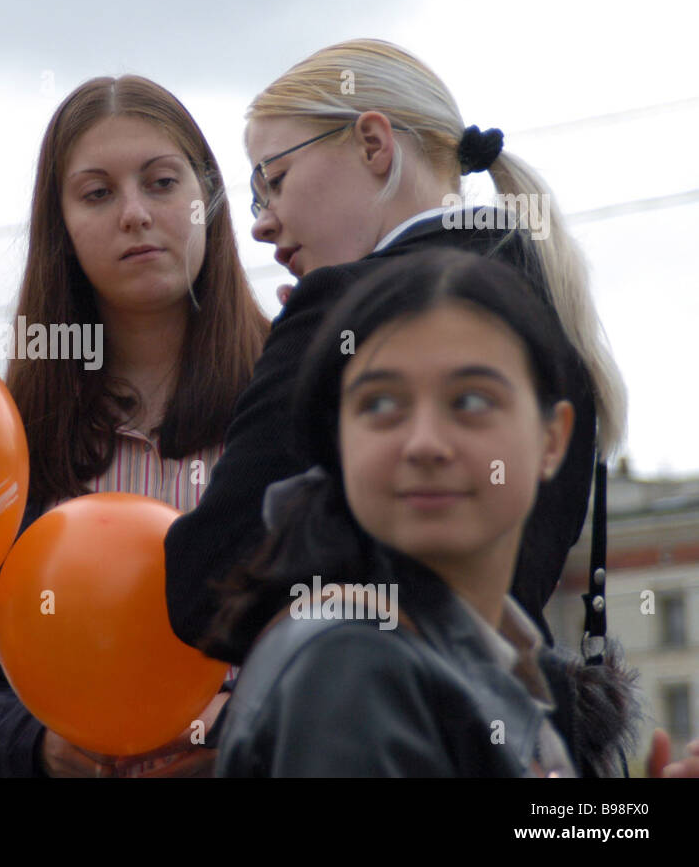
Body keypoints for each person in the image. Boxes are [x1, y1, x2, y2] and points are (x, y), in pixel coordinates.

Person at [165, 39, 626, 662]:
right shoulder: (551, 313)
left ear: (373, 145)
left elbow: (207, 587)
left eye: (274, 180)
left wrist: (308, 338)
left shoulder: (338, 310)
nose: (262, 221)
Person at [0, 75, 270, 777]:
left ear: (206, 200)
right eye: (97, 193)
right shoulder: (13, 433)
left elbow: (359, 632)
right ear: (61, 229)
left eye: (162, 182)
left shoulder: (291, 397)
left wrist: (238, 725)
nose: (136, 214)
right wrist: (40, 746)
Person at [211, 249, 639, 777]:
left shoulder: (506, 660)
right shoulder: (350, 666)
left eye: (472, 401)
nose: (425, 444)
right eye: (381, 404)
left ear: (553, 439)